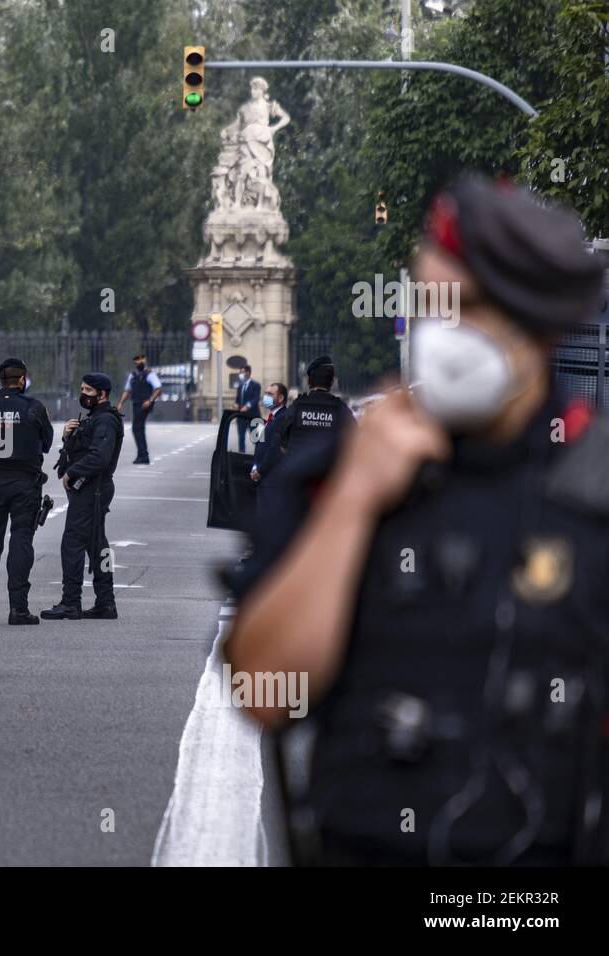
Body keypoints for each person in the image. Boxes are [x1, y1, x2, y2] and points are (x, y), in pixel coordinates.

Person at [225, 174, 609, 866]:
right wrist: (354, 498)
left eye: (464, 307)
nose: (441, 332)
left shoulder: (595, 481)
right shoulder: (336, 470)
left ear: (535, 327)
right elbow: (262, 690)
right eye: (430, 304)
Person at [0, 358, 54, 625]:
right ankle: (18, 608)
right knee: (21, 541)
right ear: (22, 380)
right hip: (24, 483)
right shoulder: (34, 408)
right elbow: (47, 443)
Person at [42, 373, 123, 621]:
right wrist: (68, 436)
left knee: (73, 543)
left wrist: (72, 473)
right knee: (98, 544)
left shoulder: (106, 421)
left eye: (88, 390)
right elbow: (83, 449)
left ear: (102, 394)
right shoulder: (94, 419)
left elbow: (100, 457)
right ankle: (106, 602)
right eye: (82, 389)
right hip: (90, 488)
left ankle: (71, 602)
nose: (83, 394)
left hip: (93, 488)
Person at [276, 355, 354, 456]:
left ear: (308, 381)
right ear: (332, 382)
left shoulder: (296, 408)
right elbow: (354, 444)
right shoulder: (341, 410)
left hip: (299, 469)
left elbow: (282, 443)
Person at [119, 353, 163, 464]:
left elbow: (158, 389)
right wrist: (120, 403)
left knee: (137, 428)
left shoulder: (150, 374)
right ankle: (142, 455)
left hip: (144, 404)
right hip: (136, 403)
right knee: (138, 429)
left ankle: (143, 456)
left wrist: (150, 400)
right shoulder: (133, 376)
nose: (139, 363)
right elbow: (127, 391)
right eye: (137, 361)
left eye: (141, 361)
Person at [249, 382, 288, 485]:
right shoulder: (269, 417)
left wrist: (260, 470)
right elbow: (260, 445)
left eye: (270, 394)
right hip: (262, 475)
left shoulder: (283, 417)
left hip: (271, 478)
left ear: (280, 398)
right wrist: (255, 466)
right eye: (265, 393)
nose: (266, 397)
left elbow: (274, 449)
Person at [234, 364, 261, 452]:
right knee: (241, 439)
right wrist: (236, 404)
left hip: (253, 416)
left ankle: (259, 458)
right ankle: (241, 455)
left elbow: (256, 398)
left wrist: (247, 406)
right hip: (241, 417)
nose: (241, 374)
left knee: (256, 439)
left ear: (248, 373)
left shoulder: (256, 385)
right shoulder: (240, 386)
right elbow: (238, 399)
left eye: (243, 372)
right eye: (240, 372)